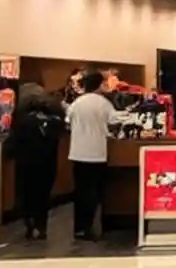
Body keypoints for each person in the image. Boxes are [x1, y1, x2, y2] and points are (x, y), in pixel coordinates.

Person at [10, 83, 64, 240]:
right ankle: (41, 226)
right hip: (47, 163)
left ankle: (29, 223)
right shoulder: (54, 120)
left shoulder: (21, 121)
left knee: (26, 194)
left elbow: (14, 143)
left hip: (26, 163)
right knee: (43, 196)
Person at [67, 70, 115, 240]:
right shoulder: (103, 104)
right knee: (96, 192)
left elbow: (68, 121)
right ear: (99, 84)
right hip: (97, 152)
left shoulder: (76, 104)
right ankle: (93, 225)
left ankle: (79, 228)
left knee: (80, 192)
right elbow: (114, 121)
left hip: (78, 152)